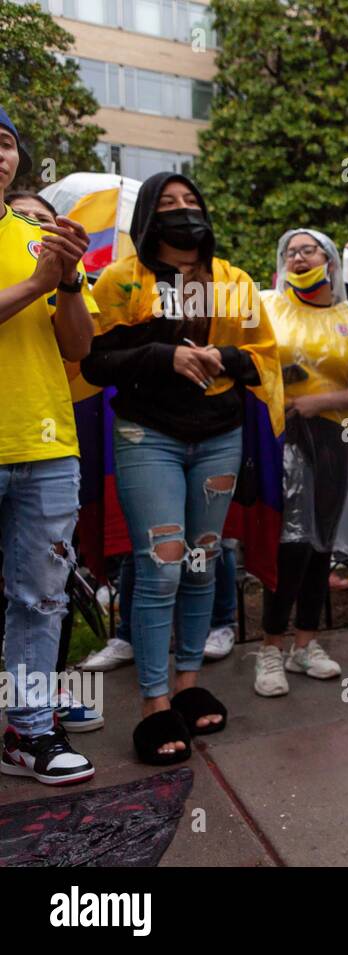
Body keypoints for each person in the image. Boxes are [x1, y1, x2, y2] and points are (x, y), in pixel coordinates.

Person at [82, 172, 282, 764]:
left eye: (191, 201)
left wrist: (223, 355)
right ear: (148, 216)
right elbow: (94, 361)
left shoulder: (235, 282)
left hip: (220, 438)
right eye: (167, 204)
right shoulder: (122, 281)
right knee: (161, 566)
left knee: (202, 559)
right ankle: (153, 704)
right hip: (149, 438)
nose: (182, 211)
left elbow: (266, 357)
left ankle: (189, 687)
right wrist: (163, 355)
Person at [0, 105, 99, 785]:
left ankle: (27, 729)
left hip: (44, 445)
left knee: (39, 598)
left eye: (4, 143)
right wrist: (35, 283)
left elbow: (78, 346)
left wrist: (63, 281)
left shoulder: (37, 236)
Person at [253, 229, 348, 697]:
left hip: (333, 438)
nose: (299, 256)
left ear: (329, 262)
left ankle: (305, 644)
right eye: (291, 250)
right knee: (289, 543)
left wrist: (319, 400)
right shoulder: (268, 306)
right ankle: (269, 646)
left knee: (321, 541)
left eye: (310, 250)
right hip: (280, 437)